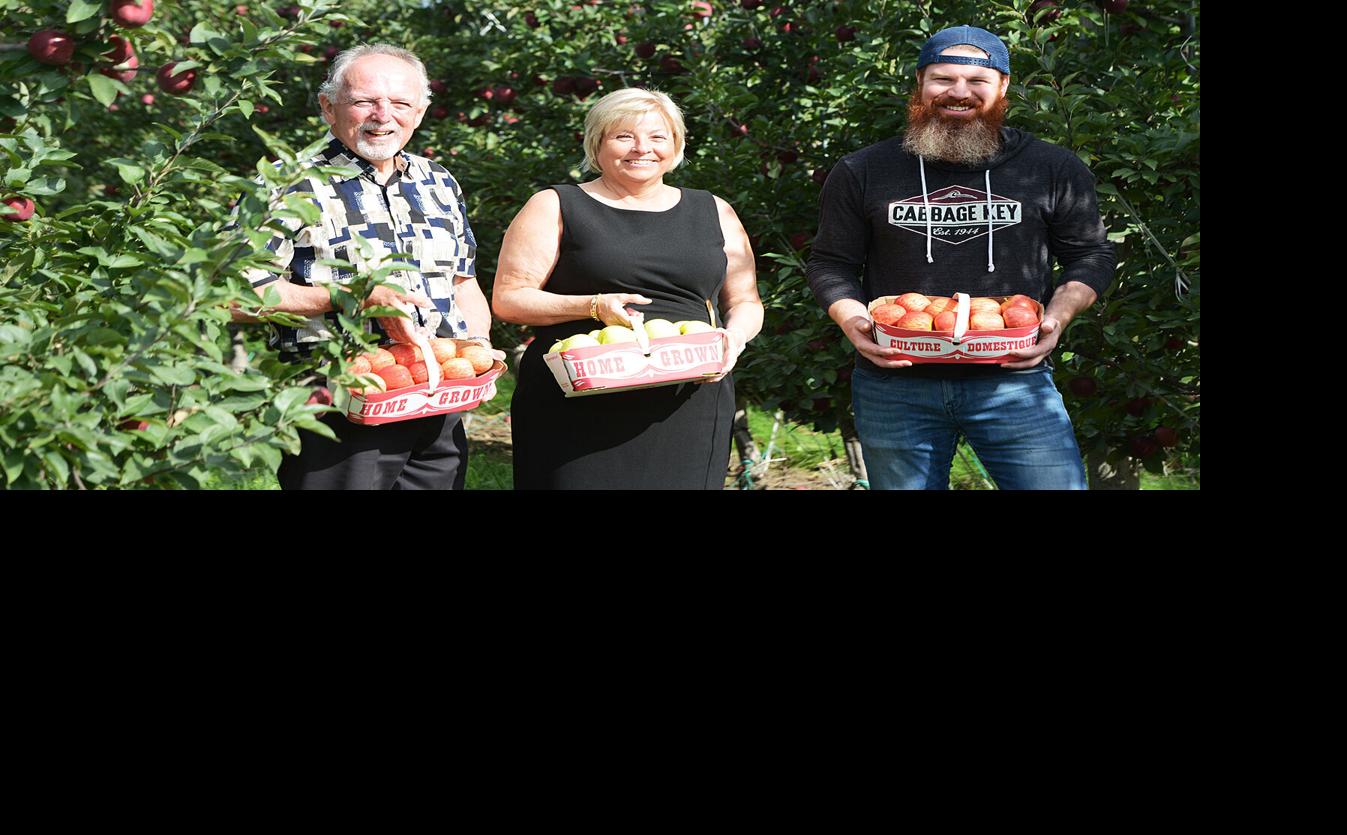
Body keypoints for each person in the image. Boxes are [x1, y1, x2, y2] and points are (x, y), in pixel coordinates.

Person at [805, 25, 1117, 490]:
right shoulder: (864, 170)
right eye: (942, 79)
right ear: (920, 83)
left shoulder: (1051, 168)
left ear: (1004, 87)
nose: (959, 93)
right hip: (896, 381)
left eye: (976, 82)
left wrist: (1057, 318)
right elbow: (830, 262)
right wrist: (852, 319)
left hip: (1013, 377)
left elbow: (1091, 254)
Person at [235, 44, 493, 490]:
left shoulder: (439, 181)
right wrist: (347, 297)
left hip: (435, 398)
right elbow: (233, 293)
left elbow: (462, 283)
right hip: (338, 396)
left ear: (421, 112)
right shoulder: (285, 182)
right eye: (364, 102)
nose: (383, 115)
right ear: (327, 107)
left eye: (400, 103)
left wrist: (477, 350)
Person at [492, 88, 763, 489]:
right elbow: (509, 299)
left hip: (687, 399)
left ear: (676, 145)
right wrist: (593, 306)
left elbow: (745, 301)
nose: (642, 149)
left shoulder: (714, 210)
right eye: (624, 136)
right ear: (597, 143)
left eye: (658, 137)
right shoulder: (555, 205)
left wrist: (733, 339)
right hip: (581, 399)